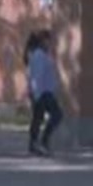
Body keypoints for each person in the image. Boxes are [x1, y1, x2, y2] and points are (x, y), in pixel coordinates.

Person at [26, 29, 62, 157]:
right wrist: (36, 94)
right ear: (43, 41)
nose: (51, 43)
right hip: (43, 93)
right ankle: (42, 141)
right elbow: (36, 76)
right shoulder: (39, 55)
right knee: (57, 115)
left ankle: (34, 144)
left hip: (44, 92)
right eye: (49, 40)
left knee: (38, 118)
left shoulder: (42, 54)